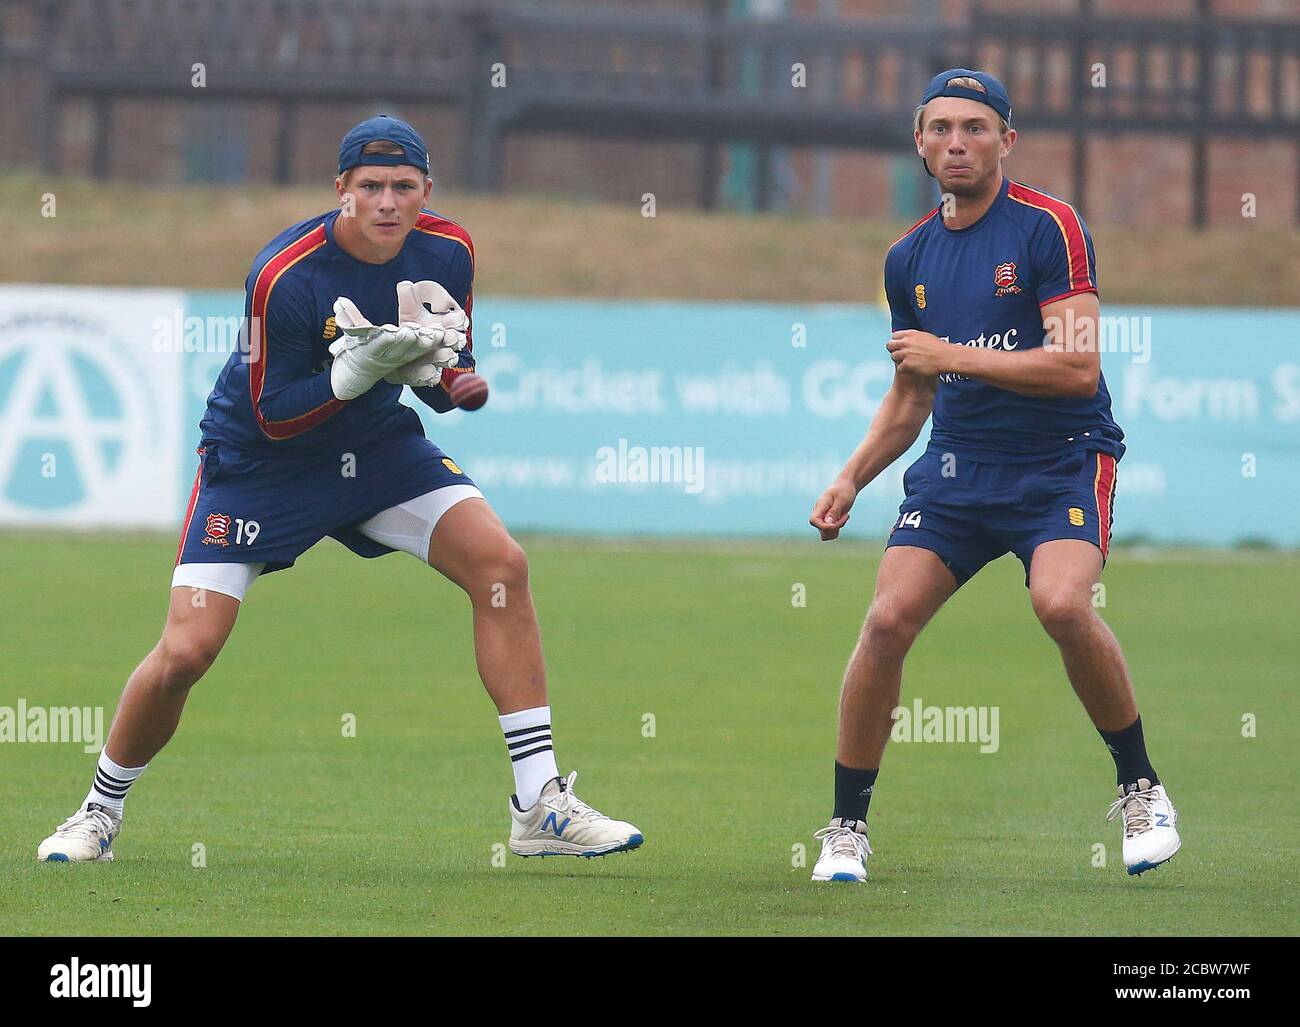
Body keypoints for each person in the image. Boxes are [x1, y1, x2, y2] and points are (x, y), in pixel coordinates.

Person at [37, 115, 642, 863]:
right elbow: (272, 415)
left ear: (427, 189)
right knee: (186, 651)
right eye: (370, 187)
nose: (387, 202)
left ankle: (538, 804)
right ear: (342, 191)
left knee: (502, 566)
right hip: (257, 466)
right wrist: (350, 375)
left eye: (403, 186)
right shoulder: (284, 273)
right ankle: (97, 810)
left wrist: (449, 382)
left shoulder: (449, 249)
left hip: (374, 448)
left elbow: (447, 365)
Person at [807, 71, 1178, 883]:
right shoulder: (908, 256)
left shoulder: (1050, 227)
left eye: (976, 128)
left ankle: (1140, 785)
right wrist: (853, 477)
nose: (957, 143)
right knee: (885, 622)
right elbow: (912, 393)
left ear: (1006, 140)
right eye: (940, 128)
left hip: (1063, 460)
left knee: (1061, 603)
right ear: (920, 142)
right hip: (955, 469)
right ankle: (846, 825)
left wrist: (952, 356)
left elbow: (1078, 367)